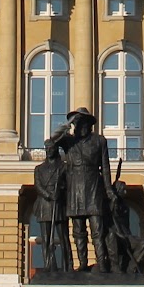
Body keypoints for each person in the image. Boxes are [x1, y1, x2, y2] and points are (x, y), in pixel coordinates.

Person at [53, 107, 111, 272]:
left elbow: (105, 167)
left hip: (93, 186)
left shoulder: (99, 141)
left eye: (83, 122)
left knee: (97, 230)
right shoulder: (69, 141)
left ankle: (102, 263)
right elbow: (51, 140)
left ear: (89, 124)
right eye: (77, 123)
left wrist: (108, 189)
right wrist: (68, 124)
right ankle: (83, 264)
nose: (80, 126)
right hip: (75, 187)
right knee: (78, 231)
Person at [33, 128, 73, 272]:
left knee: (63, 237)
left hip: (59, 204)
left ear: (56, 149)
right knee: (46, 239)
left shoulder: (63, 167)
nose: (49, 151)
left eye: (52, 148)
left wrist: (61, 189)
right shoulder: (39, 169)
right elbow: (37, 185)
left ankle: (67, 267)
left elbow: (69, 184)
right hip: (45, 204)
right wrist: (49, 195)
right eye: (47, 148)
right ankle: (50, 266)